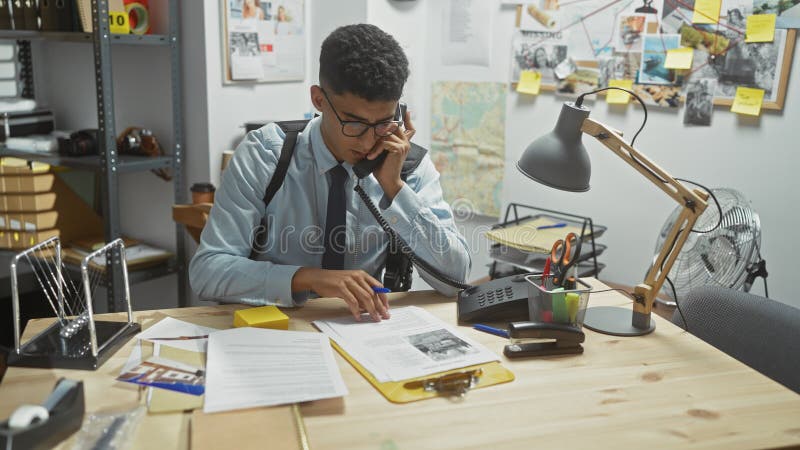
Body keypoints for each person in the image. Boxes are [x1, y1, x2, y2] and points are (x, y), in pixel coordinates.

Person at [190, 24, 471, 322]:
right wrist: (308, 278)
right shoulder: (266, 155)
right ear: (319, 100)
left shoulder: (405, 165)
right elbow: (208, 271)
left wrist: (394, 188)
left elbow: (455, 280)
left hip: (367, 331)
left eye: (383, 123)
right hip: (276, 329)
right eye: (354, 123)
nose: (367, 141)